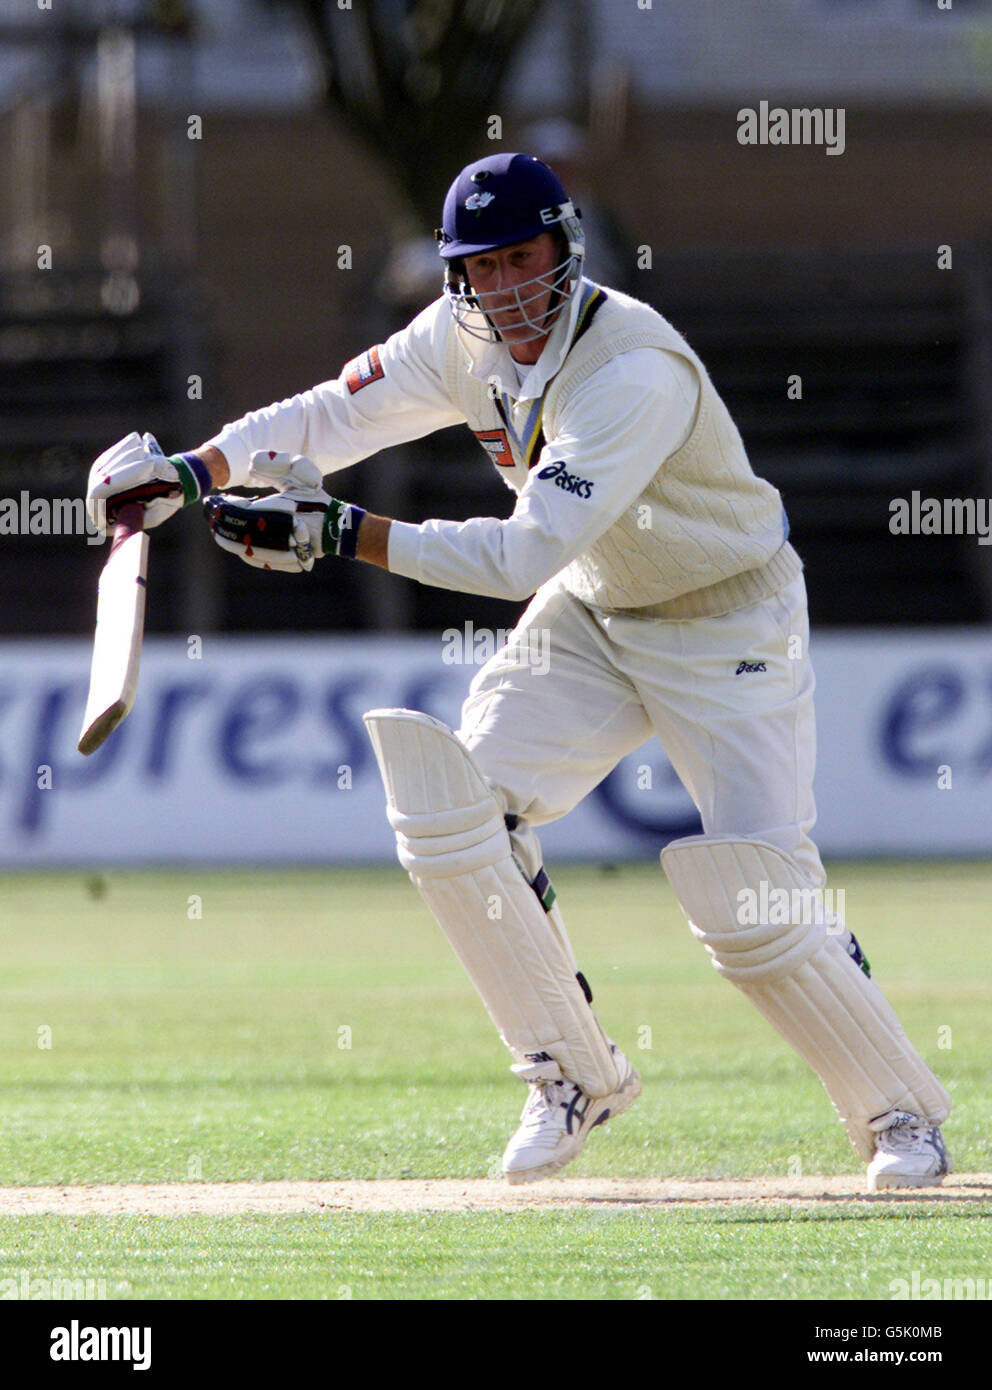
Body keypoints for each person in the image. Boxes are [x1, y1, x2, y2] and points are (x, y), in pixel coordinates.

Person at [87, 152, 951, 1190]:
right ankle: (570, 1075)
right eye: (478, 267)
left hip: (726, 618)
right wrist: (186, 474)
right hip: (594, 605)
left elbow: (516, 557)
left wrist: (341, 532)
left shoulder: (631, 368)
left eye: (521, 258)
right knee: (454, 806)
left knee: (755, 894)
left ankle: (899, 1114)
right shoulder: (458, 337)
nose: (503, 287)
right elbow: (328, 415)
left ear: (564, 250)